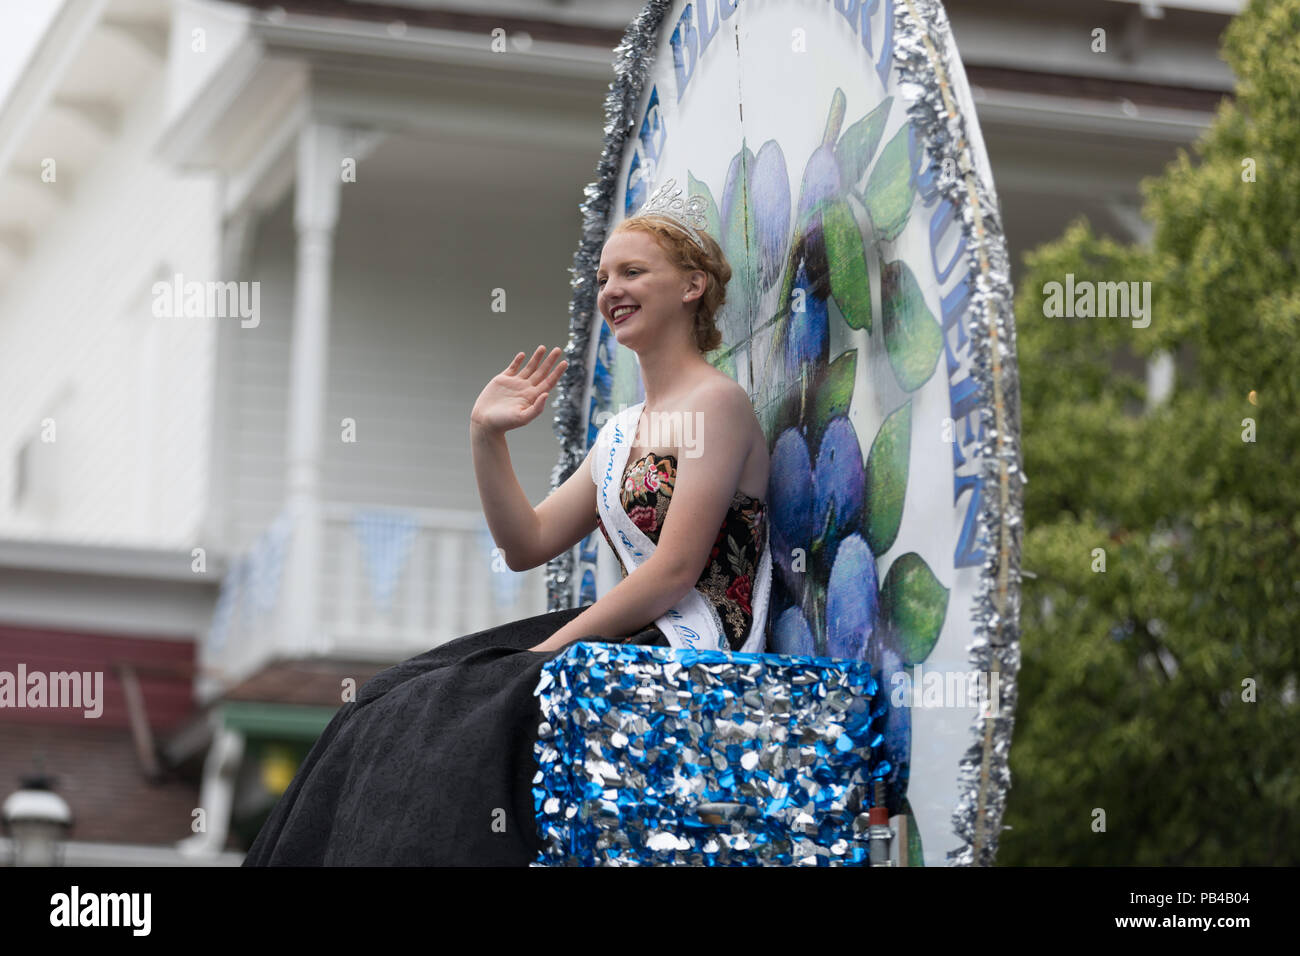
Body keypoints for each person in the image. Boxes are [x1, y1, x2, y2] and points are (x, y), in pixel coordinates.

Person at [241, 181, 772, 865]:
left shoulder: (715, 405)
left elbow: (673, 573)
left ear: (694, 284)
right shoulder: (619, 434)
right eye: (604, 275)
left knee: (473, 702)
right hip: (631, 627)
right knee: (390, 698)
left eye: (634, 272)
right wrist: (485, 435)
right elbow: (526, 544)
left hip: (693, 638)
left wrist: (542, 654)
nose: (611, 289)